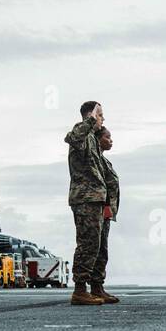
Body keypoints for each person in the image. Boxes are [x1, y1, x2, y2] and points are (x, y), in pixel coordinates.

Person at [65, 101, 109, 305]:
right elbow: (71, 138)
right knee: (87, 244)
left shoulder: (92, 139)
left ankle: (95, 288)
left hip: (95, 199)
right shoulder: (81, 133)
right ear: (90, 116)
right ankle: (80, 290)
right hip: (85, 199)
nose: (103, 119)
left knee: (96, 245)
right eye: (100, 115)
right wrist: (91, 118)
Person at [90, 127, 120, 303]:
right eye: (108, 137)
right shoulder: (96, 160)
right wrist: (106, 206)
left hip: (106, 211)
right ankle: (93, 288)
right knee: (95, 248)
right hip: (100, 209)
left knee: (102, 250)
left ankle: (98, 287)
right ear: (99, 139)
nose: (111, 140)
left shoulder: (104, 160)